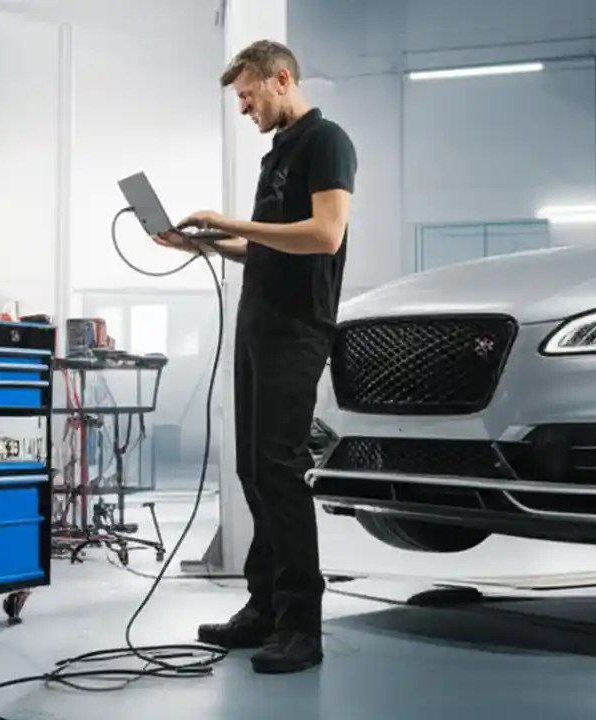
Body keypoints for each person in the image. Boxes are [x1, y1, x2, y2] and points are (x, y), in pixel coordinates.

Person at [151, 39, 357, 674]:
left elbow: (326, 234)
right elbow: (272, 248)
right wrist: (209, 244)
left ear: (280, 80)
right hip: (258, 325)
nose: (244, 108)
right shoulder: (278, 154)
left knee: (282, 471)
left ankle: (301, 626)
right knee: (251, 470)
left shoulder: (327, 143)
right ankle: (264, 606)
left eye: (247, 96)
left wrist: (236, 222)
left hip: (298, 328)